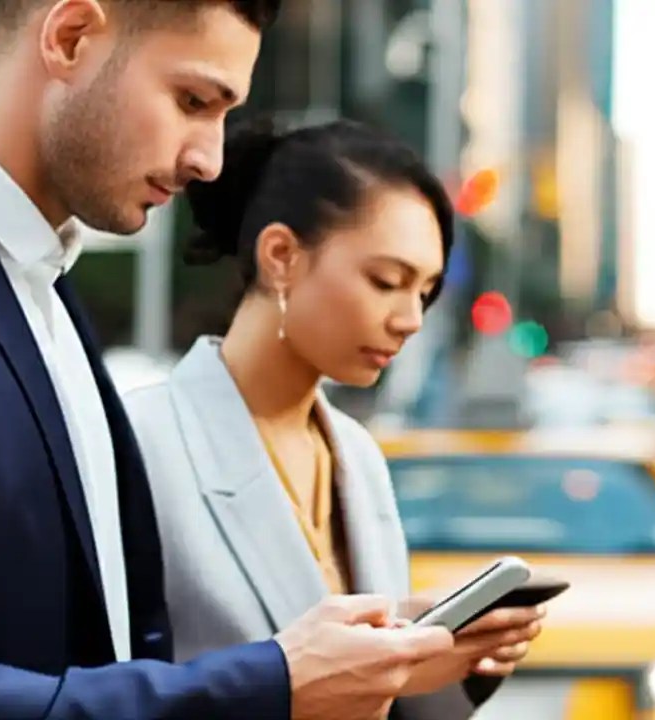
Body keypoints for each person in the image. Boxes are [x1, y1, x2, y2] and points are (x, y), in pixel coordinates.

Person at [0, 2, 455, 718]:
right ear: (70, 37)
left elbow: (108, 653)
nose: (210, 161)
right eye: (192, 100)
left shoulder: (46, 297)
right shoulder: (137, 403)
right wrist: (267, 683)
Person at [122, 117, 546, 720]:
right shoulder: (138, 442)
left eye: (424, 291)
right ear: (281, 256)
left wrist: (434, 655)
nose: (410, 319)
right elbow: (103, 690)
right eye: (386, 281)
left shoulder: (356, 453)